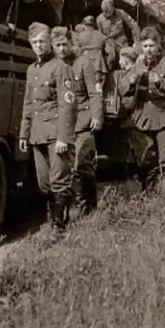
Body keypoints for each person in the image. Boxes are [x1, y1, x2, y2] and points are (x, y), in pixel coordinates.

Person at [19, 23, 77, 233]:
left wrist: (63, 137)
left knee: (58, 180)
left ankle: (58, 227)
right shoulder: (32, 70)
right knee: (44, 184)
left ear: (50, 42)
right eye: (34, 42)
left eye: (42, 41)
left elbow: (67, 105)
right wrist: (24, 133)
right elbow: (28, 103)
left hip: (56, 135)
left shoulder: (61, 68)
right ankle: (62, 213)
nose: (38, 46)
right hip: (37, 135)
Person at [118, 26, 165, 191]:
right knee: (146, 158)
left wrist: (160, 81)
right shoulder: (138, 63)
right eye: (145, 46)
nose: (148, 50)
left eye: (151, 46)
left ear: (158, 46)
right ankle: (149, 193)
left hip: (164, 115)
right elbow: (122, 86)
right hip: (144, 117)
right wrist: (131, 80)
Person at [51, 26, 103, 216]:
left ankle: (88, 210)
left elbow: (95, 93)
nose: (62, 49)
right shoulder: (53, 66)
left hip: (82, 121)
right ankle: (71, 210)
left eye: (65, 44)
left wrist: (97, 116)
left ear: (72, 44)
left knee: (81, 165)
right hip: (62, 124)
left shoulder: (83, 63)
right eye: (57, 45)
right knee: (64, 170)